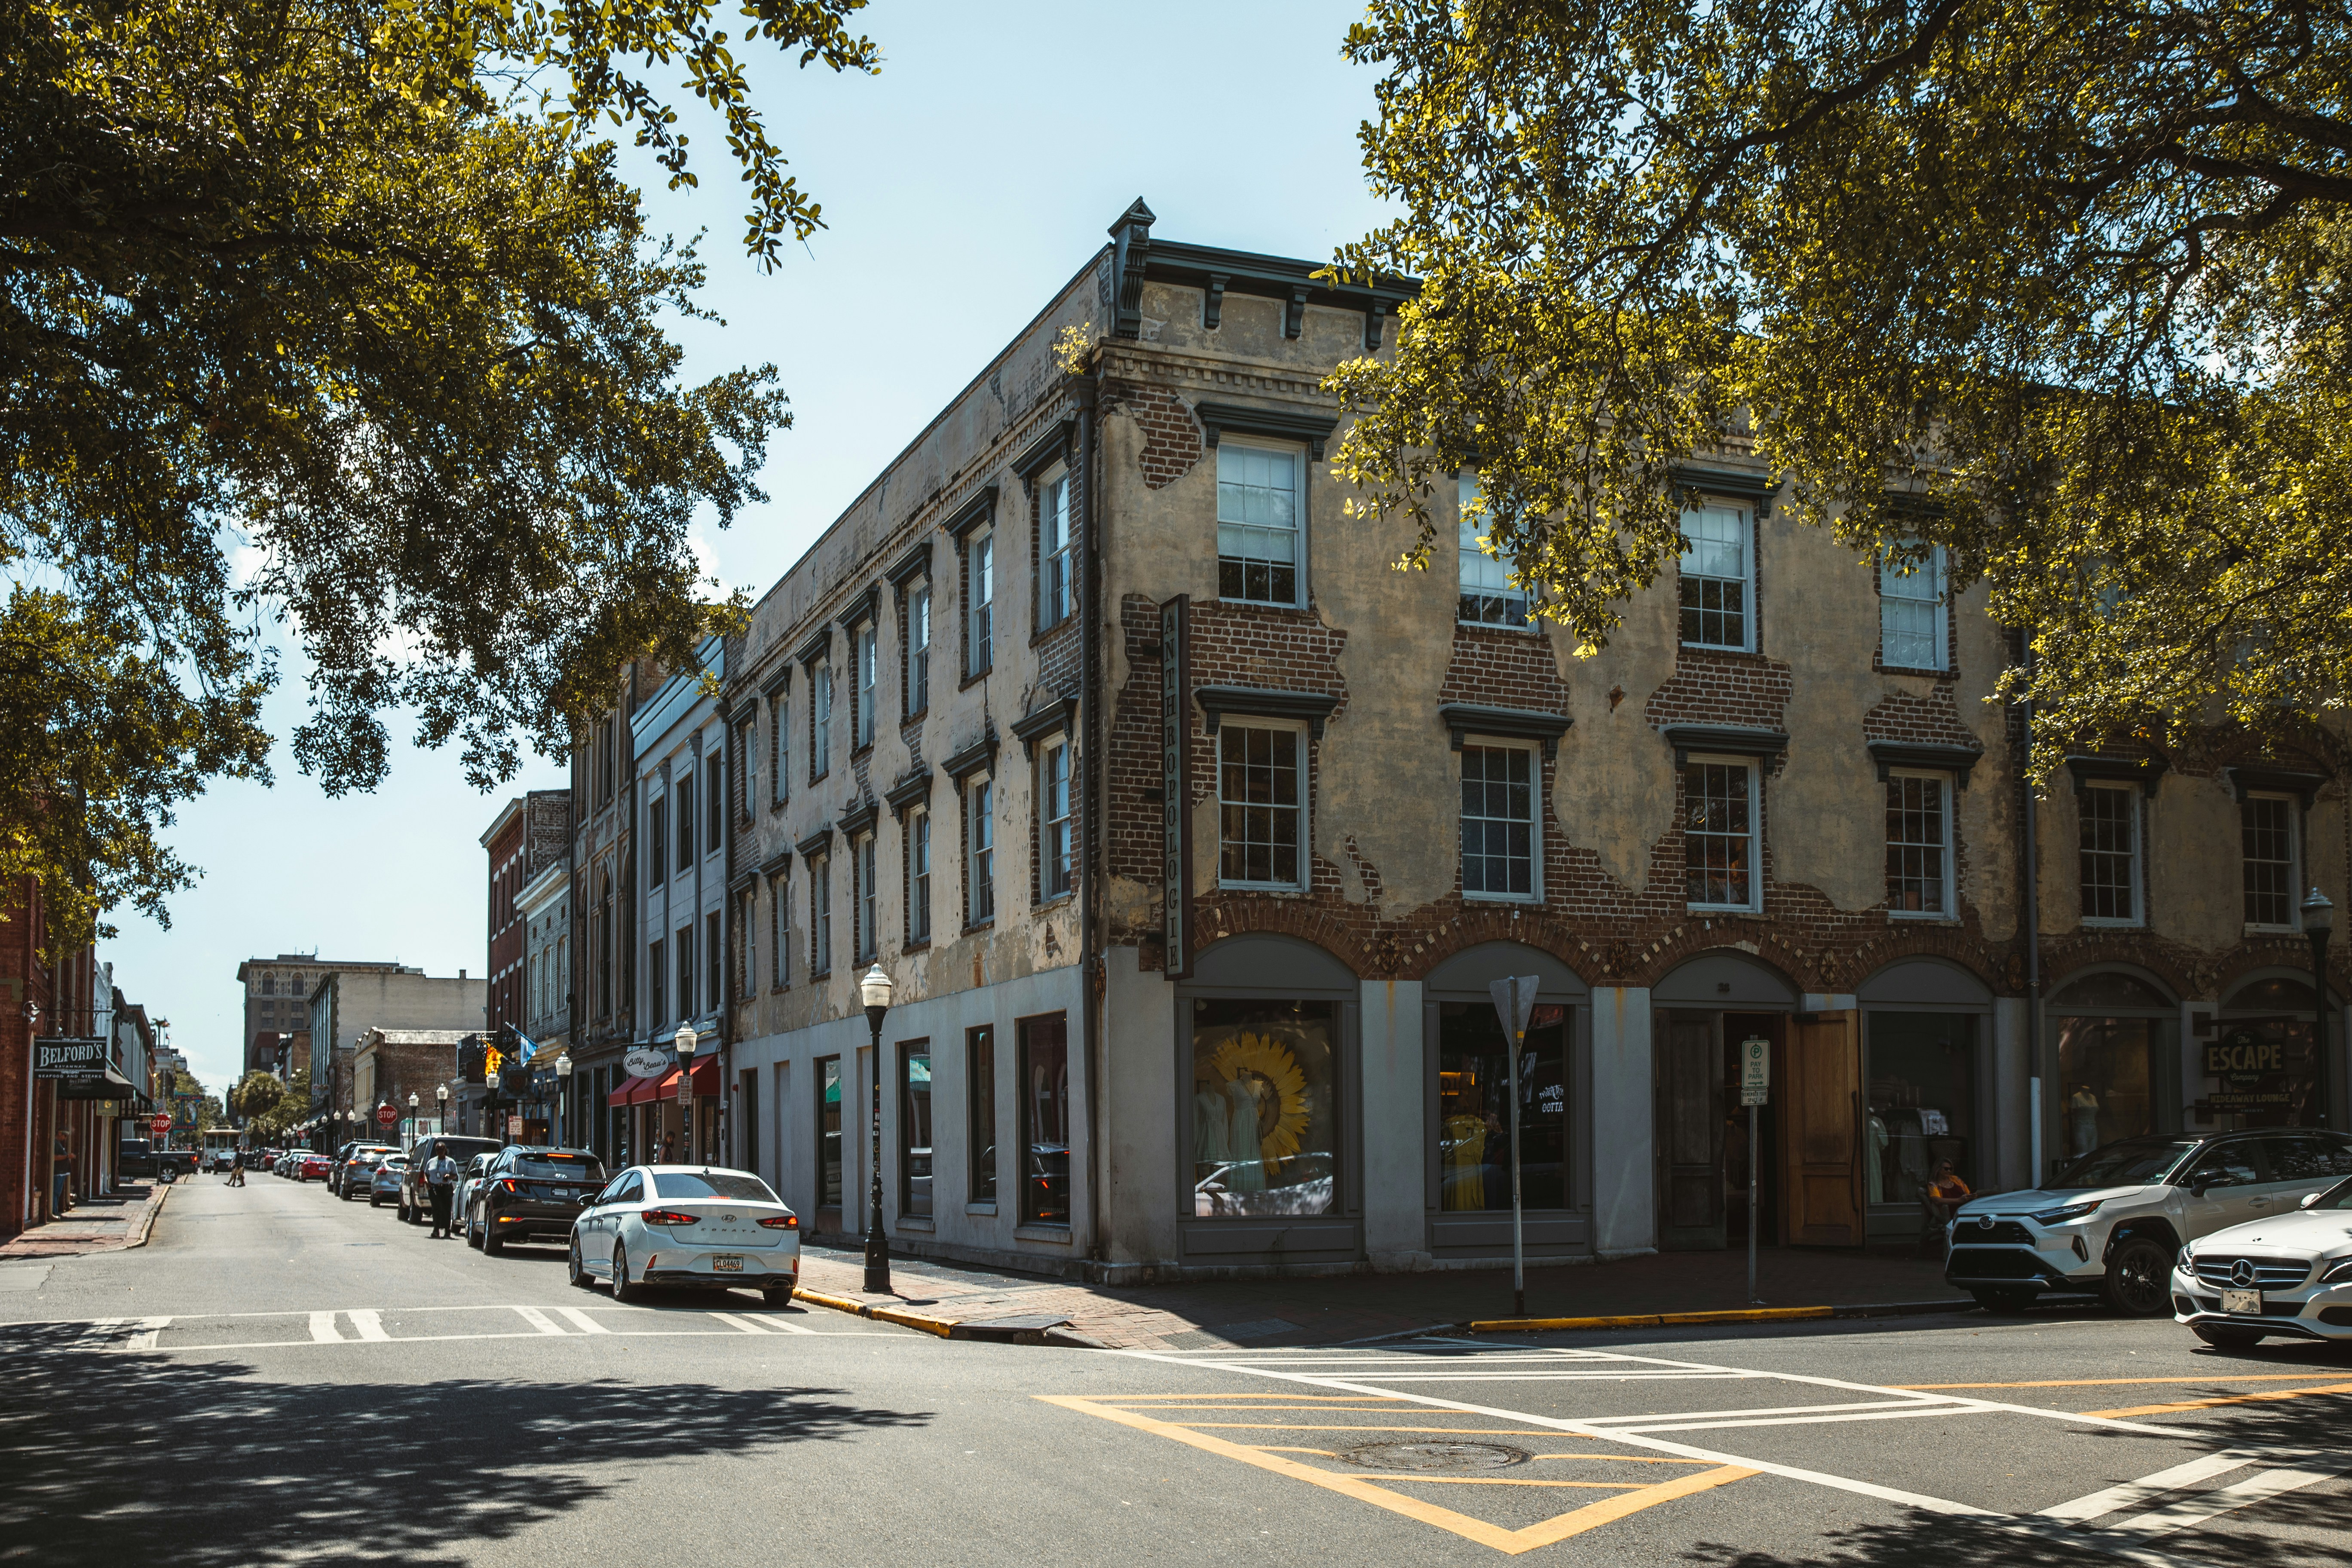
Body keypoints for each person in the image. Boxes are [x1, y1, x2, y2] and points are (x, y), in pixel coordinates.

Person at [425, 1146, 459, 1238]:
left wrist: (449, 1176)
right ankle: (436, 1230)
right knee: (437, 1208)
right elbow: (426, 1174)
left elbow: (455, 1175)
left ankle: (447, 1231)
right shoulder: (431, 1162)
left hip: (446, 1188)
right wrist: (427, 1182)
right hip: (434, 1188)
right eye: (438, 1150)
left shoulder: (450, 1162)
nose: (439, 1152)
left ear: (445, 1150)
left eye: (441, 1150)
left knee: (446, 1209)